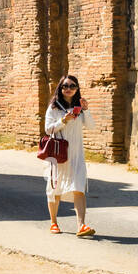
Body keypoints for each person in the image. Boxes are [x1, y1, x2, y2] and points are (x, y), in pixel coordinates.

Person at [44, 74, 95, 237]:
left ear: (77, 88)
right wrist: (63, 121)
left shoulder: (79, 108)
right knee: (55, 189)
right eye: (65, 86)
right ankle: (53, 222)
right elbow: (48, 130)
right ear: (60, 88)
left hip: (77, 154)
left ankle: (81, 225)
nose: (69, 89)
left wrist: (86, 110)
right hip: (59, 154)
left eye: (72, 86)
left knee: (79, 188)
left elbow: (92, 127)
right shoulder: (54, 108)